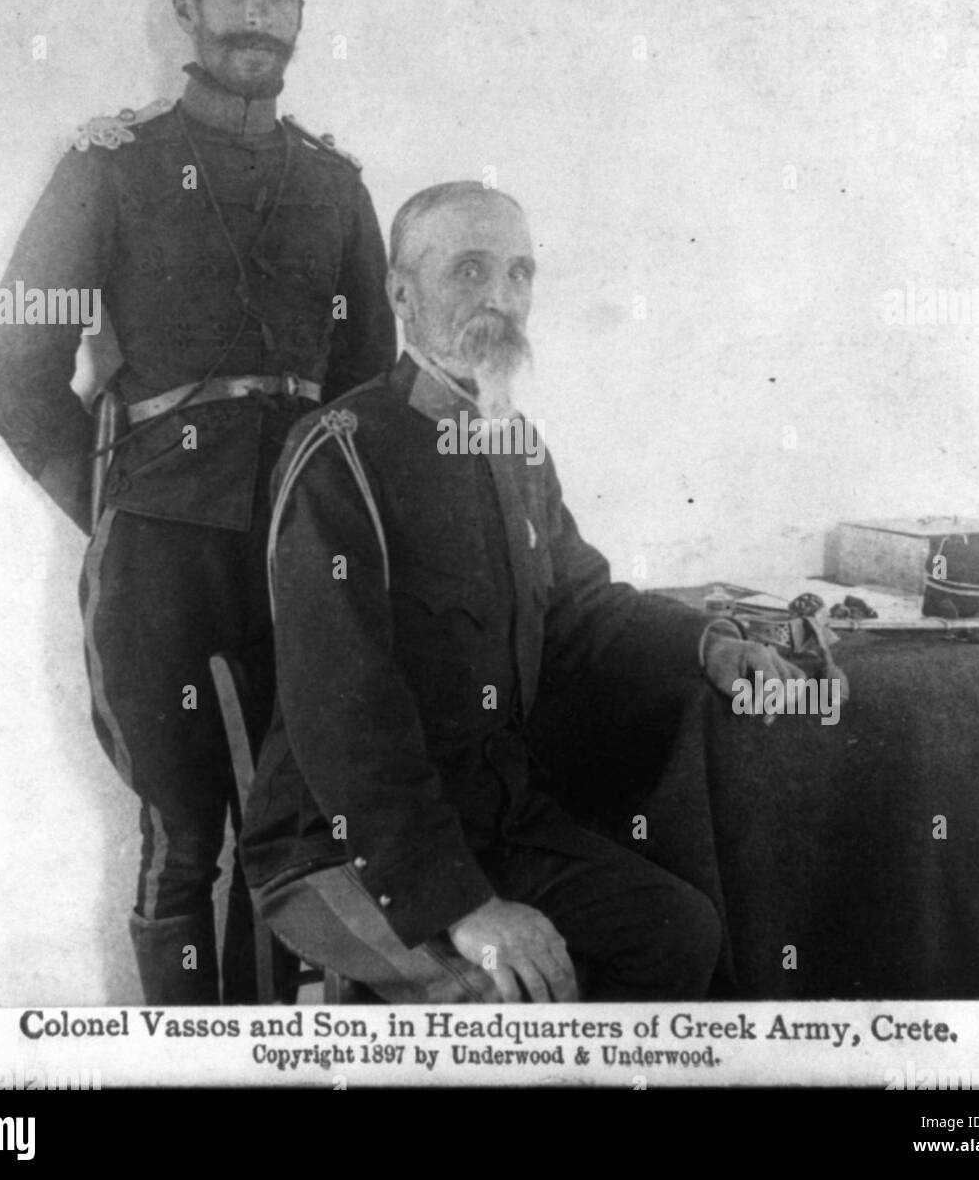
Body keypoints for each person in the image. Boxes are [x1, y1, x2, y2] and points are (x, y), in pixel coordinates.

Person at [0, 0, 397, 1004]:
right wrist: (118, 503)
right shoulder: (111, 167)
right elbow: (11, 369)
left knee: (303, 833)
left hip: (298, 558)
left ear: (300, 17)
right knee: (181, 838)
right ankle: (185, 1060)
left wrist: (338, 536)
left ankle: (287, 1062)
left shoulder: (335, 185)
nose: (260, 15)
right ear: (186, 8)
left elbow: (367, 391)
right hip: (158, 555)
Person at [240, 181, 802, 1002]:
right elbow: (344, 714)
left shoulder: (519, 450)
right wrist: (462, 906)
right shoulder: (340, 456)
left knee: (679, 931)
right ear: (401, 293)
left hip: (490, 821)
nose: (500, 297)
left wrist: (710, 645)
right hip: (341, 844)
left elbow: (585, 610)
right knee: (495, 997)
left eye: (519, 273)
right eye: (469, 270)